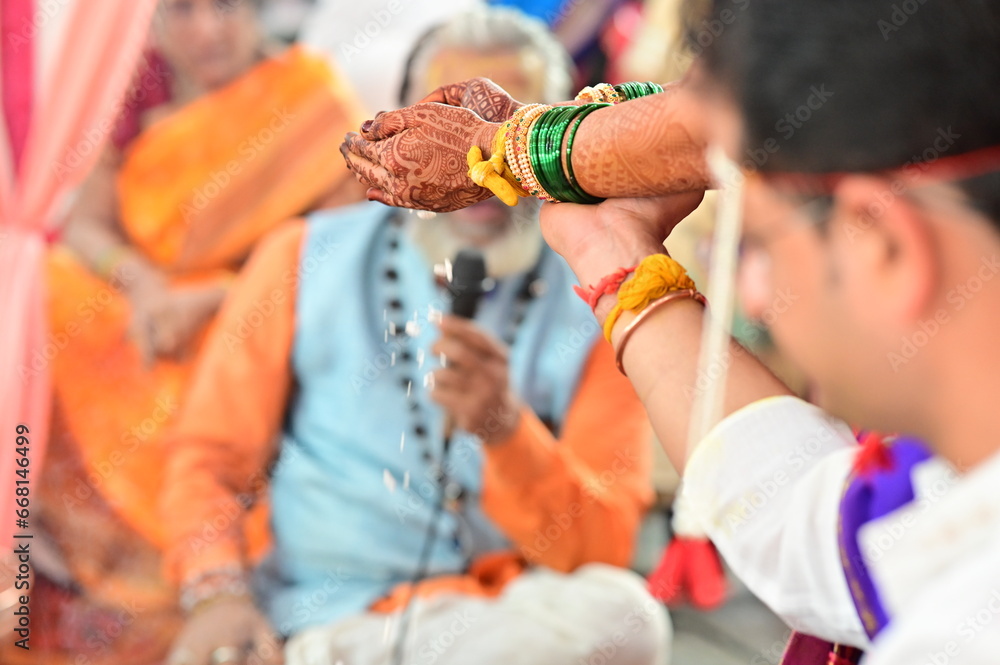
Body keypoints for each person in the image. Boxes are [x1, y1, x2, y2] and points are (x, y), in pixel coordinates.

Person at [341, 0, 1000, 663]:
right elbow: (826, 534)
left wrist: (510, 151)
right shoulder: (314, 257)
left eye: (759, 242)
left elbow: (601, 543)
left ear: (883, 245)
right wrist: (609, 247)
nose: (754, 293)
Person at [161, 9, 668, 665]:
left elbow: (603, 549)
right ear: (396, 135)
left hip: (512, 618)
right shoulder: (302, 257)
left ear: (551, 145)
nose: (479, 161)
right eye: (448, 124)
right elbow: (209, 461)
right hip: (331, 617)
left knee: (625, 615)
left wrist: (506, 431)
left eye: (511, 130)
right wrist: (217, 592)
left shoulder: (599, 290)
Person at [22, 1, 366, 663]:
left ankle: (204, 575)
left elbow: (337, 250)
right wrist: (144, 285)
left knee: (231, 361)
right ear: (151, 23)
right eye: (183, 10)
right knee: (53, 284)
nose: (208, 29)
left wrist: (216, 297)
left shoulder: (310, 97)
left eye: (226, 8)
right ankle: (112, 572)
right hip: (145, 308)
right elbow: (88, 224)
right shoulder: (125, 95)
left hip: (268, 305)